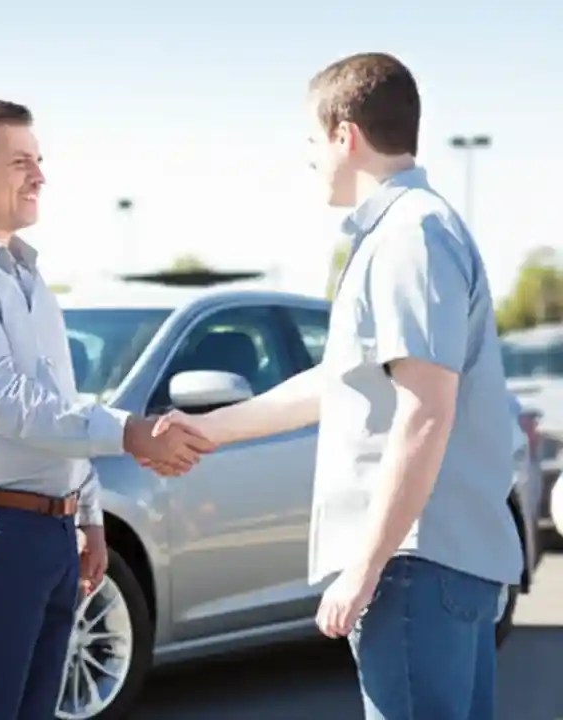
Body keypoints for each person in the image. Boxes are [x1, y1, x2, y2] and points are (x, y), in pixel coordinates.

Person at [156, 52, 522, 719]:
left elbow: (424, 414)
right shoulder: (409, 231)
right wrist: (207, 428)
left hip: (414, 566)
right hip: (434, 562)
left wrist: (366, 566)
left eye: (312, 138)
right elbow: (339, 383)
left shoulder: (410, 235)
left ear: (344, 135)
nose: (309, 155)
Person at [0, 97, 215, 720]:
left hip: (48, 533)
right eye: (21, 162)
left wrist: (87, 514)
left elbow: (60, 406)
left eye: (38, 160)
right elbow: (8, 405)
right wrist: (131, 432)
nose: (40, 176)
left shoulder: (27, 277)